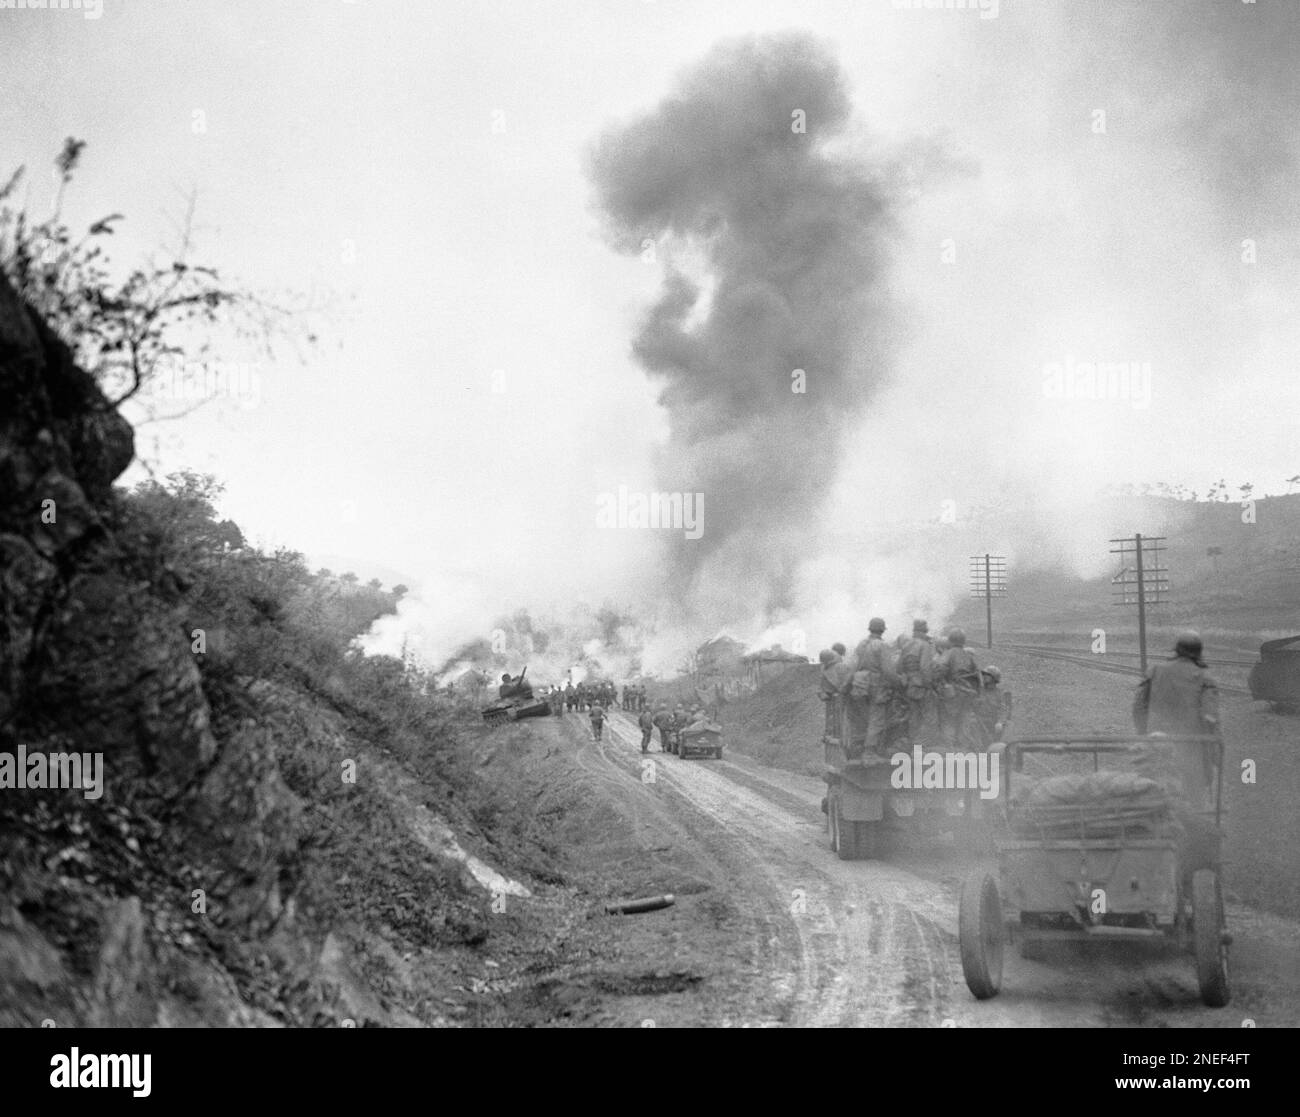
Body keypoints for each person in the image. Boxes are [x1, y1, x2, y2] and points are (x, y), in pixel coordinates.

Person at [1132, 630, 1221, 808]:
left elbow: (1138, 707)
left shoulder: (1155, 671)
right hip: (1191, 748)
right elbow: (1210, 718)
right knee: (1194, 801)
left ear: (1177, 650)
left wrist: (1144, 734)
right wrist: (1213, 752)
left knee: (1154, 794)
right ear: (1198, 652)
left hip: (1157, 746)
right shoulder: (1205, 678)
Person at [852, 618, 897, 758]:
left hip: (860, 685)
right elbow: (888, 670)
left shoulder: (861, 644)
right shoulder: (881, 646)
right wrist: (898, 683)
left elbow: (853, 665)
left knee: (865, 718)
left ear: (870, 629)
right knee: (876, 718)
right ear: (882, 630)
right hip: (877, 685)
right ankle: (870, 751)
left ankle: (860, 748)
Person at [936, 628, 981, 747]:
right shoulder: (968, 655)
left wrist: (941, 683)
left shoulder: (948, 654)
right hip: (968, 693)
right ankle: (964, 749)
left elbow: (940, 670)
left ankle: (950, 749)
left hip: (953, 693)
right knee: (964, 720)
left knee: (949, 721)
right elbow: (978, 676)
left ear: (950, 640)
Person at [895, 619, 937, 743]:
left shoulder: (906, 645)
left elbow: (899, 668)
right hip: (922, 686)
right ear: (924, 631)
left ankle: (913, 745)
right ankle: (921, 745)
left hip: (910, 686)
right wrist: (929, 684)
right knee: (930, 718)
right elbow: (925, 667)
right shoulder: (925, 645)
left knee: (914, 717)